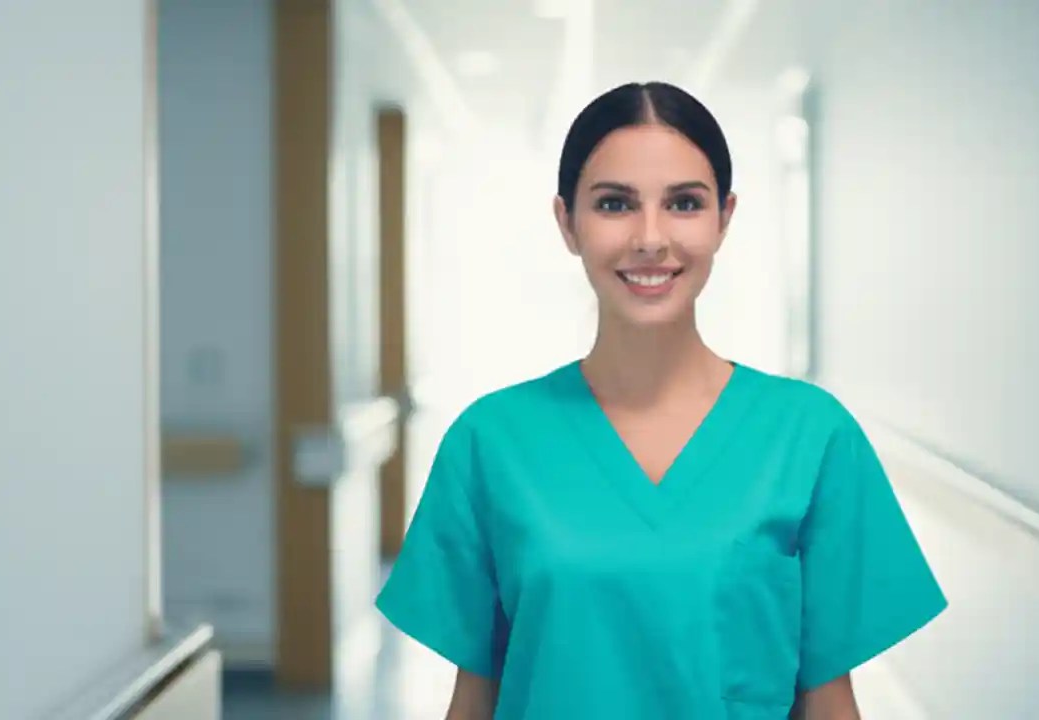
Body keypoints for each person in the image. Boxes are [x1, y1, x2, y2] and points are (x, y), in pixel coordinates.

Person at [376, 80, 946, 720]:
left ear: (724, 218)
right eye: (615, 204)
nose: (651, 237)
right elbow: (474, 698)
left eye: (683, 203)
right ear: (567, 223)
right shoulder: (490, 442)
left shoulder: (811, 436)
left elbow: (828, 699)